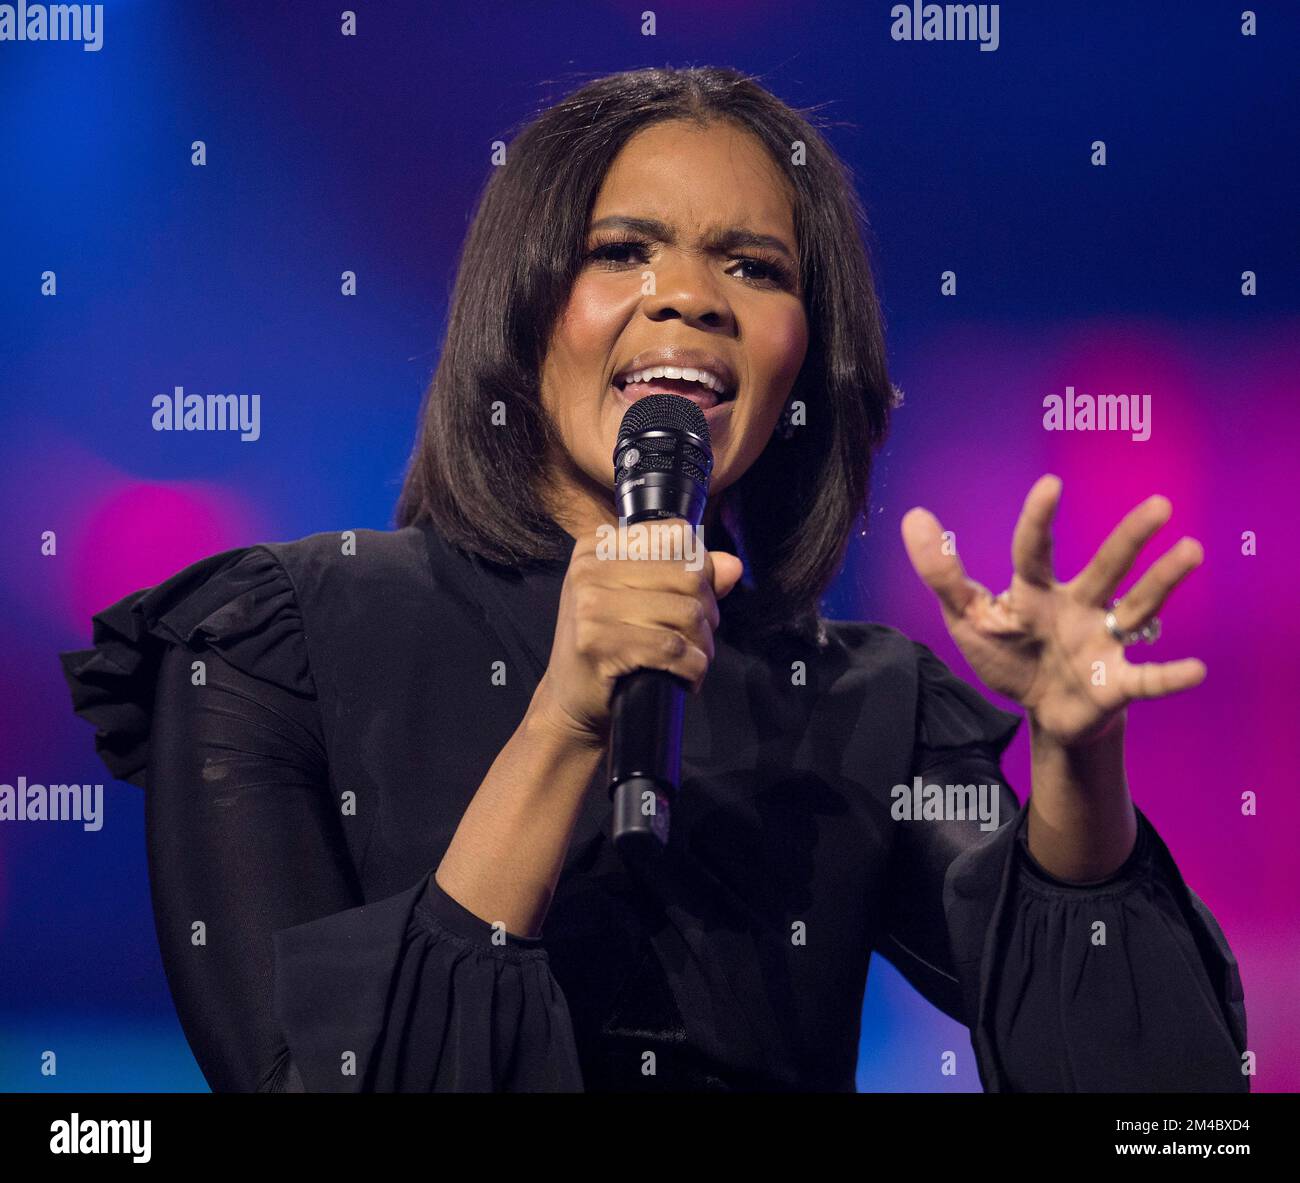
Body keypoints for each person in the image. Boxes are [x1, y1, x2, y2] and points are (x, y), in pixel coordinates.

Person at [59, 66, 1246, 1093]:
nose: (687, 295)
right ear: (514, 310)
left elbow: (1158, 1105)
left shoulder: (862, 705)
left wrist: (1077, 761)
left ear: (802, 360)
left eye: (754, 265)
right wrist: (570, 717)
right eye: (620, 251)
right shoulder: (280, 643)